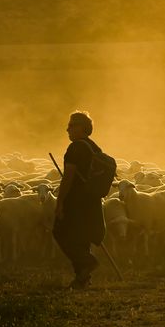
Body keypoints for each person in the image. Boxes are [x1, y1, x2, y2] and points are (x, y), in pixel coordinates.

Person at [52, 111, 107, 289]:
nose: (67, 129)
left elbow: (68, 177)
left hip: (76, 201)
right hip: (91, 200)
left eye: (71, 125)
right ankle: (82, 278)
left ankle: (87, 262)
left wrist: (60, 202)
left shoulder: (75, 148)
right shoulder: (93, 147)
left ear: (82, 128)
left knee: (61, 232)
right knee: (81, 237)